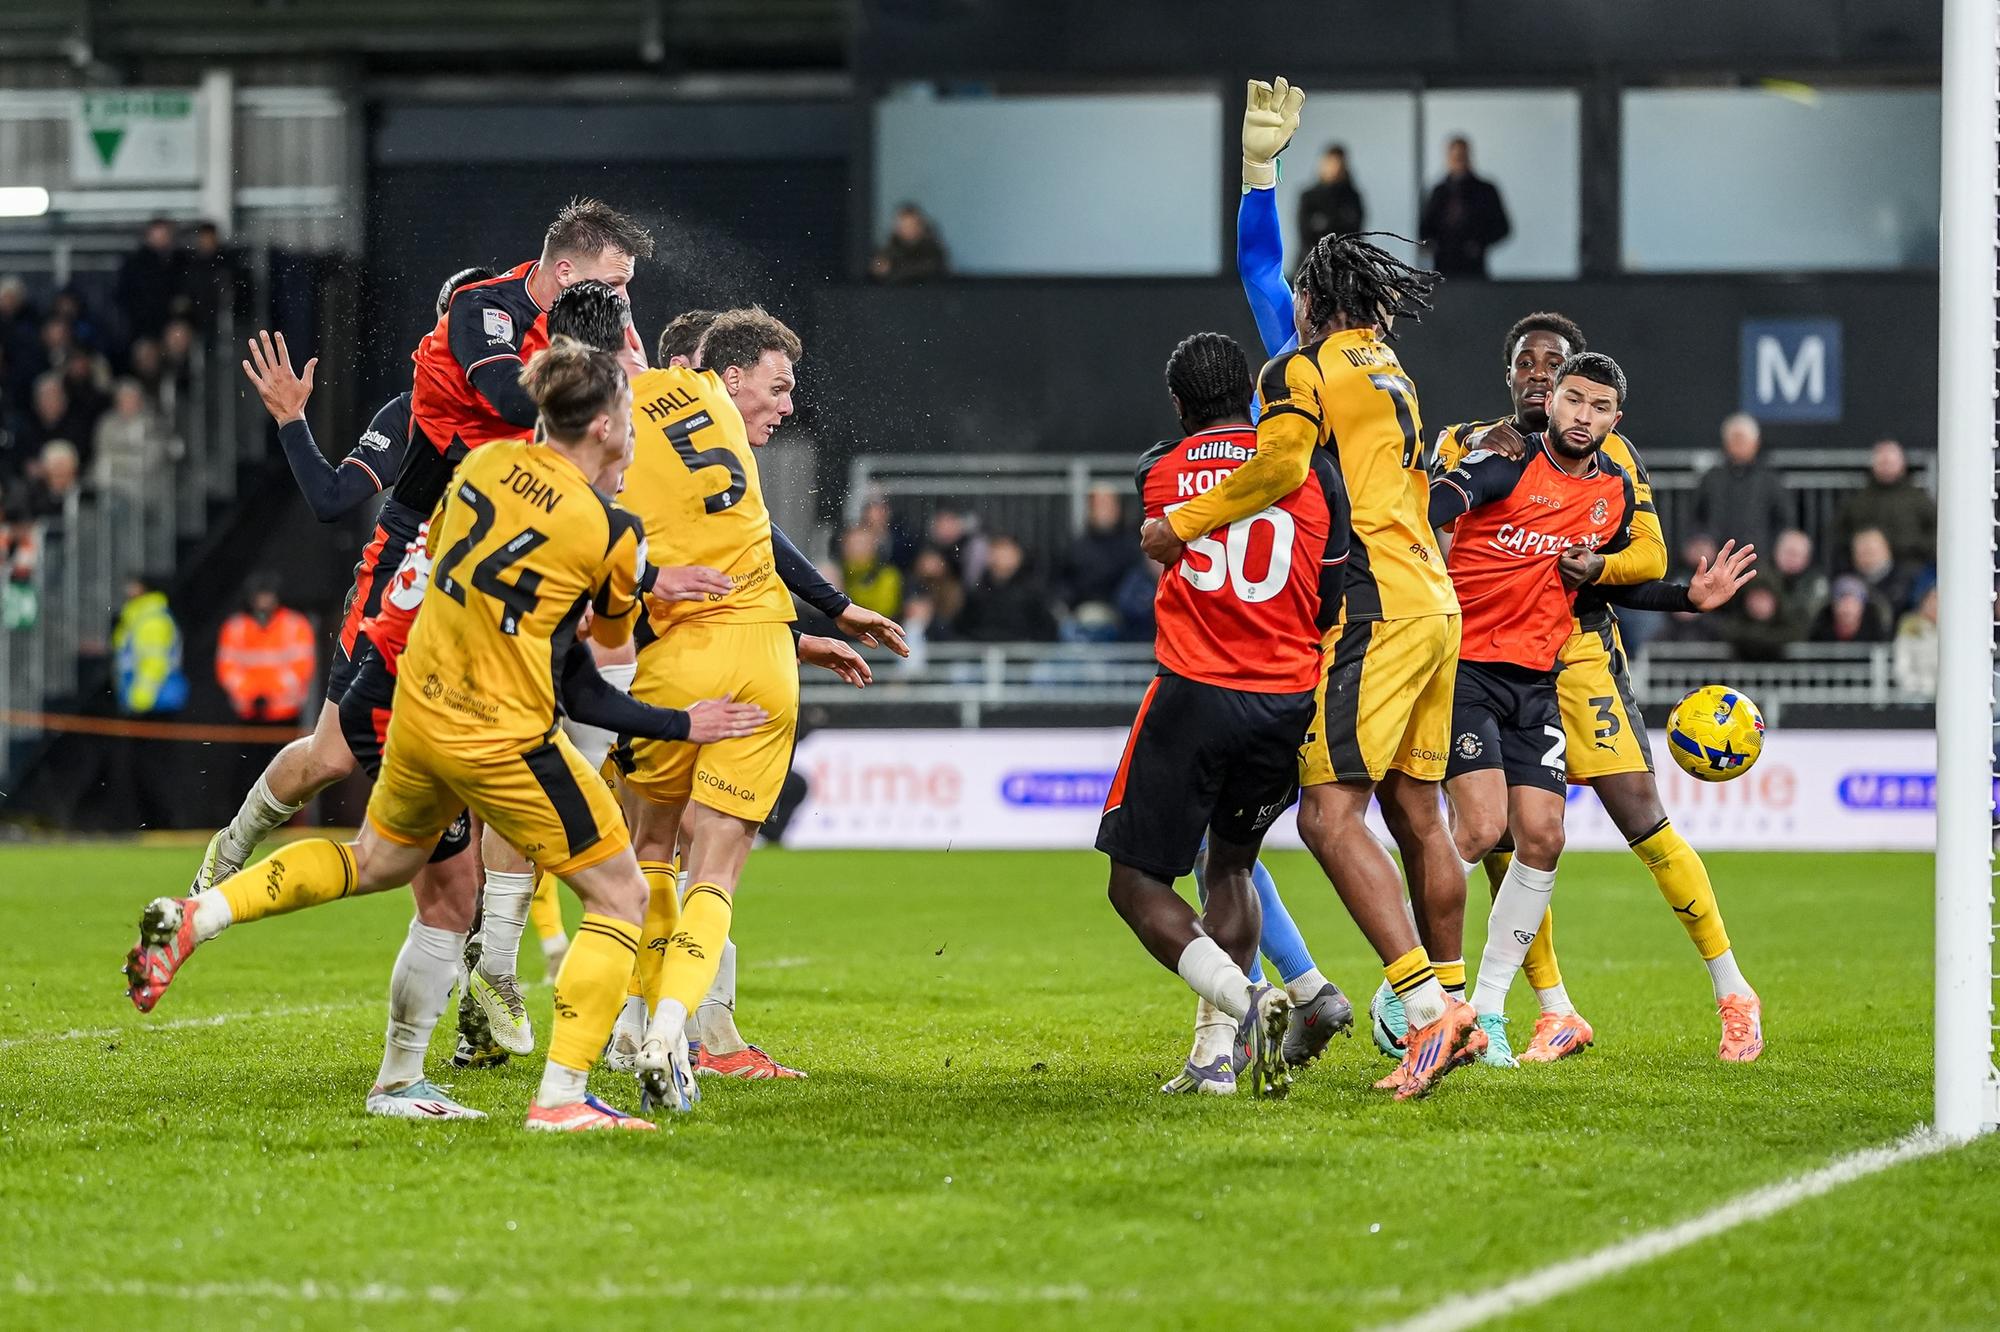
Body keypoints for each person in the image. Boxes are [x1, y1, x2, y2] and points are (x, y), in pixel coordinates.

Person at [123, 338, 741, 1131]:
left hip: (414, 713)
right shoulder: (611, 532)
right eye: (626, 423)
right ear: (603, 429)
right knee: (621, 893)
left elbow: (429, 582)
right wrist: (682, 722)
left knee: (390, 867)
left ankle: (204, 921)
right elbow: (593, 677)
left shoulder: (479, 470)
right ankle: (561, 1096)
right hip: (501, 736)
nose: (631, 442)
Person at [1145, 223, 1482, 1101]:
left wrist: (1182, 522)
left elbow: (1282, 465)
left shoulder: (1301, 369)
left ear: (1310, 303)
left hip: (1376, 606)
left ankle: (1425, 1015)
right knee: (1417, 813)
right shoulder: (1387, 366)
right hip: (1436, 601)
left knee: (1328, 818)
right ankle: (1455, 1007)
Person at [1433, 327, 1767, 1064]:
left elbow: (1646, 553)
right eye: (1528, 363)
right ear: (1516, 377)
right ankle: (1545, 1009)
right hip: (1483, 654)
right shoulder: (1468, 445)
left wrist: (1603, 570)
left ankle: (1734, 991)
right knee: (1511, 834)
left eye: (1556, 367)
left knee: (1640, 818)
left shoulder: (1611, 461)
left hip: (1577, 650)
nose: (1540, 378)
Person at [615, 307, 895, 1111]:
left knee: (644, 852)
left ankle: (633, 1026)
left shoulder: (625, 412)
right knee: (715, 866)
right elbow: (758, 538)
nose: (784, 405)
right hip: (752, 656)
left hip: (660, 661)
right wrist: (827, 618)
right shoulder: (714, 417)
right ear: (722, 375)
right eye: (775, 388)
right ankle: (674, 1032)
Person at [188, 267, 497, 897]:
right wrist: (291, 422)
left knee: (489, 779)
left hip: (475, 603)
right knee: (330, 758)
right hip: (397, 591)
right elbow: (332, 497)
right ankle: (233, 846)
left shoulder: (526, 413)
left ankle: (483, 959)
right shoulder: (413, 413)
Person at [1103, 330, 1349, 1101]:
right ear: (1252, 394)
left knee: (1137, 883)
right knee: (1233, 866)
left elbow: (1163, 550)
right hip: (1284, 700)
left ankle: (1247, 1005)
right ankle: (1212, 1061)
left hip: (1193, 689)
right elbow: (1332, 595)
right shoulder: (1315, 476)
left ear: (1177, 404)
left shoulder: (1159, 471)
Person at [111, 572, 189, 831]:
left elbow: (154, 666)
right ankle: (151, 824)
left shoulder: (152, 619)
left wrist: (139, 701)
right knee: (143, 771)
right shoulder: (137, 617)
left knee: (154, 771)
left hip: (155, 706)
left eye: (134, 585)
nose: (128, 590)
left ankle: (161, 825)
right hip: (145, 705)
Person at [1689, 413, 1789, 564]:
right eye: (1734, 439)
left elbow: (1785, 519)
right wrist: (1701, 540)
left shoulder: (1770, 480)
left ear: (1756, 442)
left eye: (1743, 439)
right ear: (1725, 442)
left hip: (1761, 563)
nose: (1738, 444)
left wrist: (1776, 548)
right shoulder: (1712, 478)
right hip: (1716, 563)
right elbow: (1694, 517)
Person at [215, 577, 316, 725]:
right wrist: (253, 694)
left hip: (286, 712)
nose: (264, 602)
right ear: (251, 598)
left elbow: (302, 668)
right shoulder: (235, 627)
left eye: (268, 596)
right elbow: (227, 669)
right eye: (259, 596)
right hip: (247, 713)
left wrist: (269, 694)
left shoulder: (296, 625)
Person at [1835, 438, 1934, 572]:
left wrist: (1911, 545)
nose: (1886, 465)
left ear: (1902, 463)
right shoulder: (1859, 500)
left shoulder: (1919, 499)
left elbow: (1936, 533)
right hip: (1866, 573)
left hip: (1911, 569)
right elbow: (1839, 534)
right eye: (1882, 461)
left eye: (1890, 461)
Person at [1419, 136, 1511, 277]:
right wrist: (1432, 245)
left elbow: (1502, 227)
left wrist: (1479, 244)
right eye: (1455, 157)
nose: (1458, 161)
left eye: (1462, 157)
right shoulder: (1439, 192)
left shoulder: (1485, 191)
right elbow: (1425, 228)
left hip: (1473, 269)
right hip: (1444, 267)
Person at [1059, 484, 1142, 624]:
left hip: (1123, 614)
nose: (1104, 511)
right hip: (1082, 612)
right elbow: (1065, 581)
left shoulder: (1133, 545)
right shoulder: (1078, 546)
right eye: (1099, 505)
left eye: (1108, 505)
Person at [959, 534, 1059, 642]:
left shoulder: (1032, 592)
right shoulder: (977, 591)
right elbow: (964, 626)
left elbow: (1046, 628)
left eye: (1006, 552)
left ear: (1018, 556)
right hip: (984, 652)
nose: (1001, 557)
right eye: (997, 551)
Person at [116, 218, 182, 343]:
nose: (163, 239)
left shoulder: (179, 262)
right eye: (159, 235)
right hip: (141, 326)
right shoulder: (135, 264)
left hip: (170, 324)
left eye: (165, 235)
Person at [1296, 143, 1364, 260]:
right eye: (1331, 163)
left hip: (1345, 264)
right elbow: (1305, 235)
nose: (1334, 168)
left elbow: (1357, 234)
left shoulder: (1352, 198)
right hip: (1311, 263)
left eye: (1338, 164)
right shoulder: (1309, 197)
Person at [869, 203, 948, 284]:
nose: (908, 230)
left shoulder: (932, 250)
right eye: (904, 226)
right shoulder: (889, 250)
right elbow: (879, 268)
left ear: (921, 226)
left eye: (912, 225)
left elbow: (929, 269)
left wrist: (894, 269)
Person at [839, 524, 904, 617]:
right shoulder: (836, 573)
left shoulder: (888, 575)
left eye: (861, 544)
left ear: (874, 547)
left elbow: (884, 610)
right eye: (851, 544)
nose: (856, 549)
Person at [1849, 526, 1915, 614]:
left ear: (1886, 549)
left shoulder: (1906, 580)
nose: (1866, 557)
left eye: (1870, 551)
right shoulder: (1847, 581)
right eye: (1860, 553)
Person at [1771, 528, 1828, 628]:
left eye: (1796, 554)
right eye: (1788, 552)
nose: (1790, 558)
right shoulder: (1762, 578)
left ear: (1806, 558)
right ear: (1776, 552)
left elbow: (1806, 618)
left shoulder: (1816, 584)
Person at [1810, 574, 1893, 644]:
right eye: (1843, 602)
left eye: (1852, 603)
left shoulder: (1875, 627)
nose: (1847, 609)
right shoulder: (1820, 627)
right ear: (1833, 605)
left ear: (1862, 606)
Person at [1893, 586, 1940, 697]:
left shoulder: (1953, 633)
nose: (1934, 606)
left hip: (1946, 694)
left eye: (1938, 601)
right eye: (1931, 600)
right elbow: (1901, 668)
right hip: (1914, 697)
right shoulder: (1909, 628)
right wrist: (1921, 687)